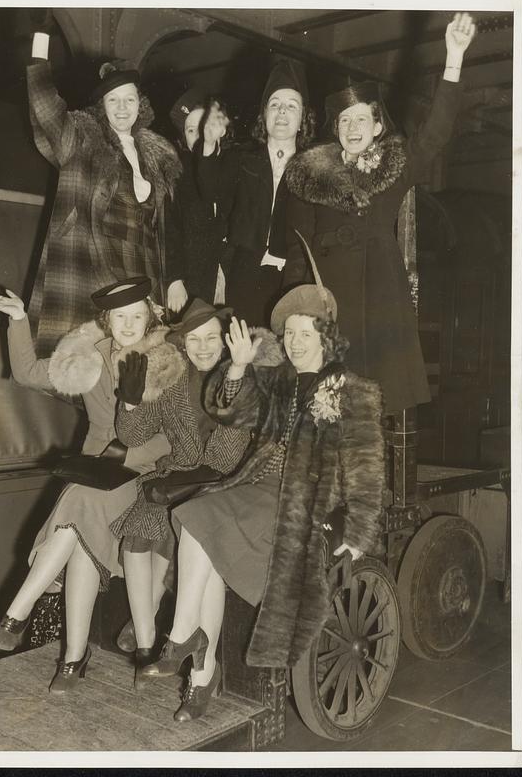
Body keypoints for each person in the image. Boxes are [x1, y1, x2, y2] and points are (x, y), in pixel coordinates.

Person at [138, 267, 385, 722]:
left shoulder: (355, 392)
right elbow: (226, 411)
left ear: (325, 335)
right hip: (260, 485)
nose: (294, 341)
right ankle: (188, 647)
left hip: (308, 502)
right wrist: (237, 364)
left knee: (203, 531)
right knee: (196, 518)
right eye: (288, 332)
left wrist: (356, 534)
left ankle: (193, 663)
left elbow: (367, 474)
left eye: (303, 331)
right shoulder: (277, 381)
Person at [0, 278, 181, 694]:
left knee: (78, 507)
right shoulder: (89, 358)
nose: (128, 324)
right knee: (80, 530)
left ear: (150, 318)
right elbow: (27, 373)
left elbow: (176, 432)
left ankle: (22, 616)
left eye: (137, 316)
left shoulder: (167, 360)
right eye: (120, 316)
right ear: (106, 320)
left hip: (148, 471)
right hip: (97, 468)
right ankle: (72, 657)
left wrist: (133, 457)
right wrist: (19, 319)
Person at [283, 12, 476, 414]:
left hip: (379, 295)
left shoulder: (394, 167)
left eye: (362, 119)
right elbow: (299, 247)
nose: (353, 127)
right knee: (326, 406)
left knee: (375, 403)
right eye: (345, 120)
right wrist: (301, 306)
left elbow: (436, 132)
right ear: (336, 129)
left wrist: (454, 59)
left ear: (376, 126)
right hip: (329, 298)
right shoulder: (310, 175)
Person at [110, 299, 272, 688]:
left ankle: (168, 641)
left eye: (211, 338)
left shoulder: (244, 380)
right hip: (180, 477)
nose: (202, 347)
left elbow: (224, 456)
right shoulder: (172, 381)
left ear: (226, 342)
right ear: (182, 344)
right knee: (137, 531)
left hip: (224, 482)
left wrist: (237, 369)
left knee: (182, 522)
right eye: (194, 339)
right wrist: (130, 402)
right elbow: (132, 436)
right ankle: (148, 644)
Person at [26, 23, 182, 356]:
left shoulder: (155, 154)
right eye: (114, 99)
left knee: (142, 362)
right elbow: (47, 110)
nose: (123, 107)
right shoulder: (83, 139)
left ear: (141, 104)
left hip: (146, 273)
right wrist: (40, 48)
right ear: (102, 105)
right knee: (96, 361)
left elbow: (158, 230)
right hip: (98, 266)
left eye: (130, 99)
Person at [224, 58, 316, 326]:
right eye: (275, 105)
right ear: (264, 115)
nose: (282, 112)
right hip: (242, 276)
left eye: (291, 106)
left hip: (290, 280)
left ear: (302, 119)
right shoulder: (240, 160)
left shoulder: (313, 168)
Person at [165, 89, 234, 309]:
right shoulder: (177, 174)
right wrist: (174, 280)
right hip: (193, 276)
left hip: (231, 272)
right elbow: (169, 228)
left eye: (205, 127)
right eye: (191, 130)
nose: (200, 135)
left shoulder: (237, 165)